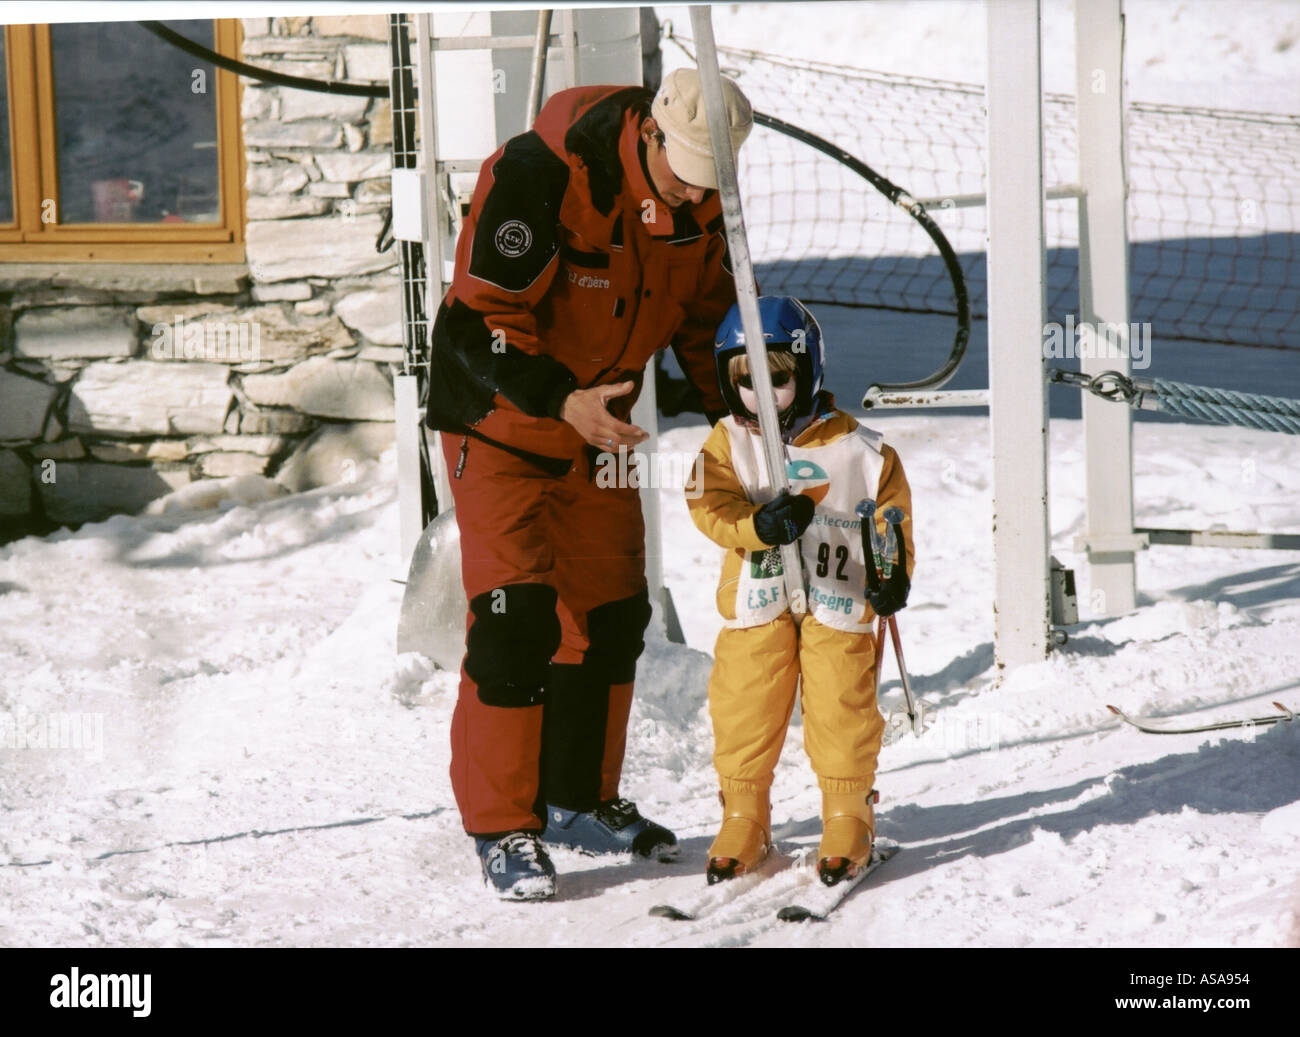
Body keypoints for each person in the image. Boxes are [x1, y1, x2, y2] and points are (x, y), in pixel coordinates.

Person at [424, 69, 754, 900]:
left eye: (709, 186)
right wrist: (559, 400)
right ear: (649, 135)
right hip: (503, 422)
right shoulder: (541, 175)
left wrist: (745, 420)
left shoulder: (700, 202)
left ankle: (575, 797)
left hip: (599, 428)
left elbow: (709, 319)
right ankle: (502, 824)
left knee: (610, 614)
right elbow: (475, 324)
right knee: (515, 617)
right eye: (683, 177)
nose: (692, 199)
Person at [685, 296, 915, 886]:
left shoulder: (864, 452)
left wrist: (891, 575)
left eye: (778, 379)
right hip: (757, 603)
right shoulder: (727, 444)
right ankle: (744, 812)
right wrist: (754, 526)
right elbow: (707, 502)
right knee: (744, 703)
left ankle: (847, 810)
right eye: (745, 384)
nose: (761, 397)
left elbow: (889, 522)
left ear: (807, 370)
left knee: (841, 702)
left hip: (837, 598)